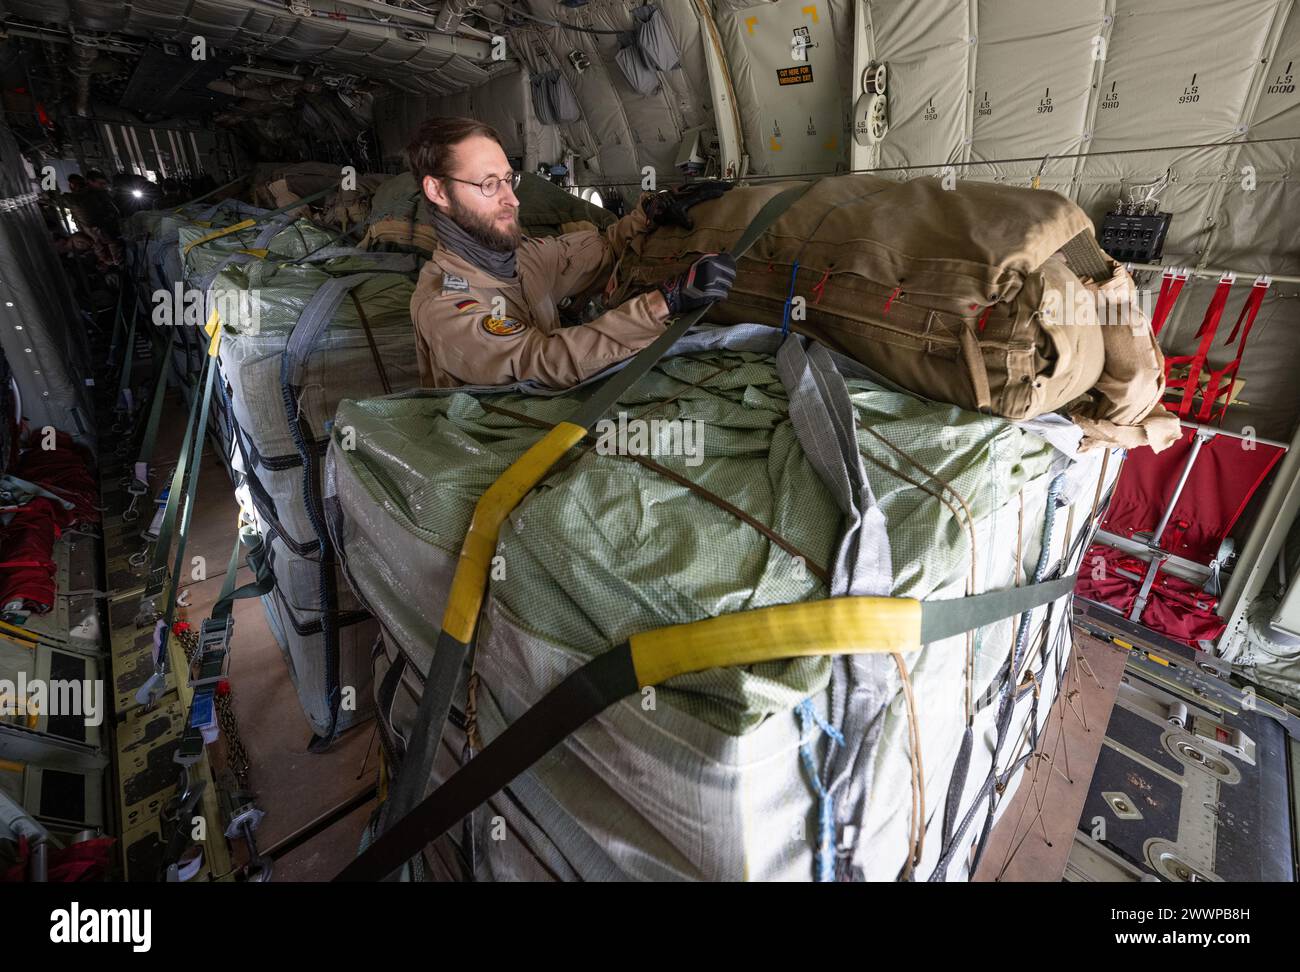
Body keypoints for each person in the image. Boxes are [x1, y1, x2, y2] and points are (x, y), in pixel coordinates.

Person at [406, 116, 736, 389]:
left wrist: (650, 213)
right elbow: (541, 361)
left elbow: (603, 248)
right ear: (438, 191)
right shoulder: (444, 304)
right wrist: (663, 303)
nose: (513, 200)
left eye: (509, 179)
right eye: (489, 184)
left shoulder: (522, 259)